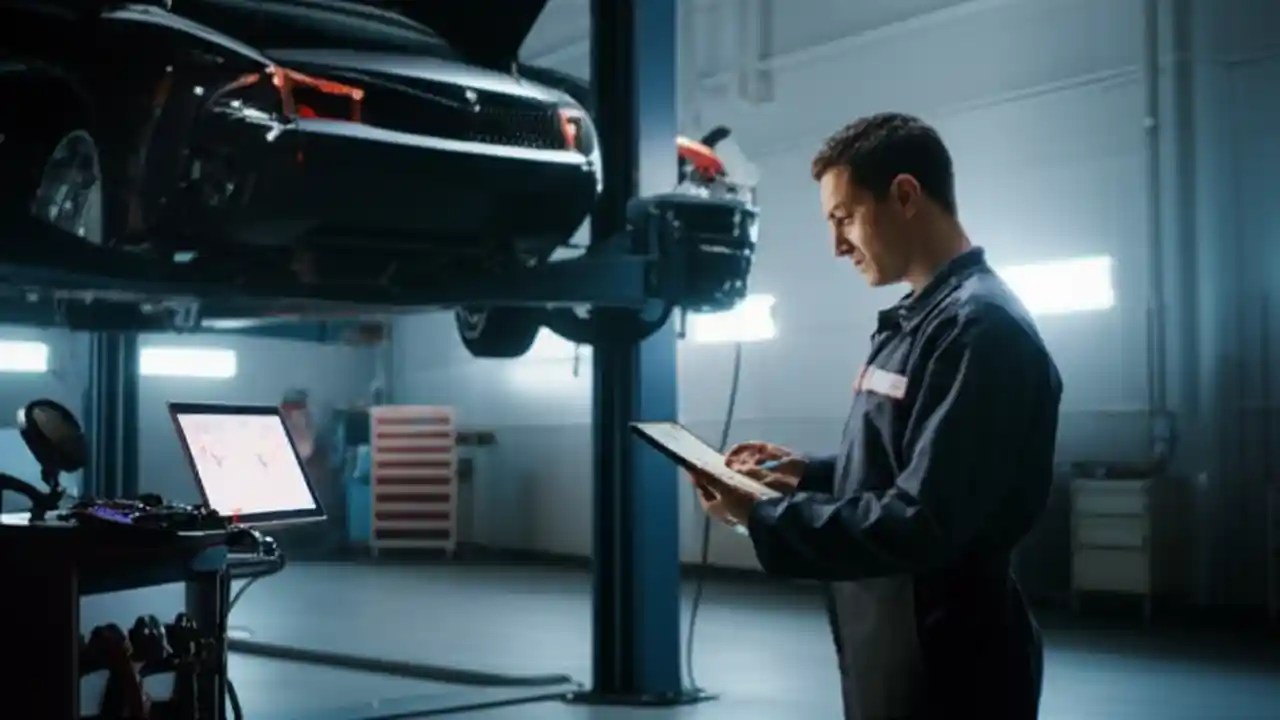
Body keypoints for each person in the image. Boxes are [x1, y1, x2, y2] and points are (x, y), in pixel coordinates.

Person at [689, 112, 1063, 720]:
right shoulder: (921, 320)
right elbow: (909, 461)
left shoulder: (978, 331)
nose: (837, 245)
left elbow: (924, 517)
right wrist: (804, 474)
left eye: (844, 218)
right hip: (896, 637)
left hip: (949, 661)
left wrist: (762, 515)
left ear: (906, 195)